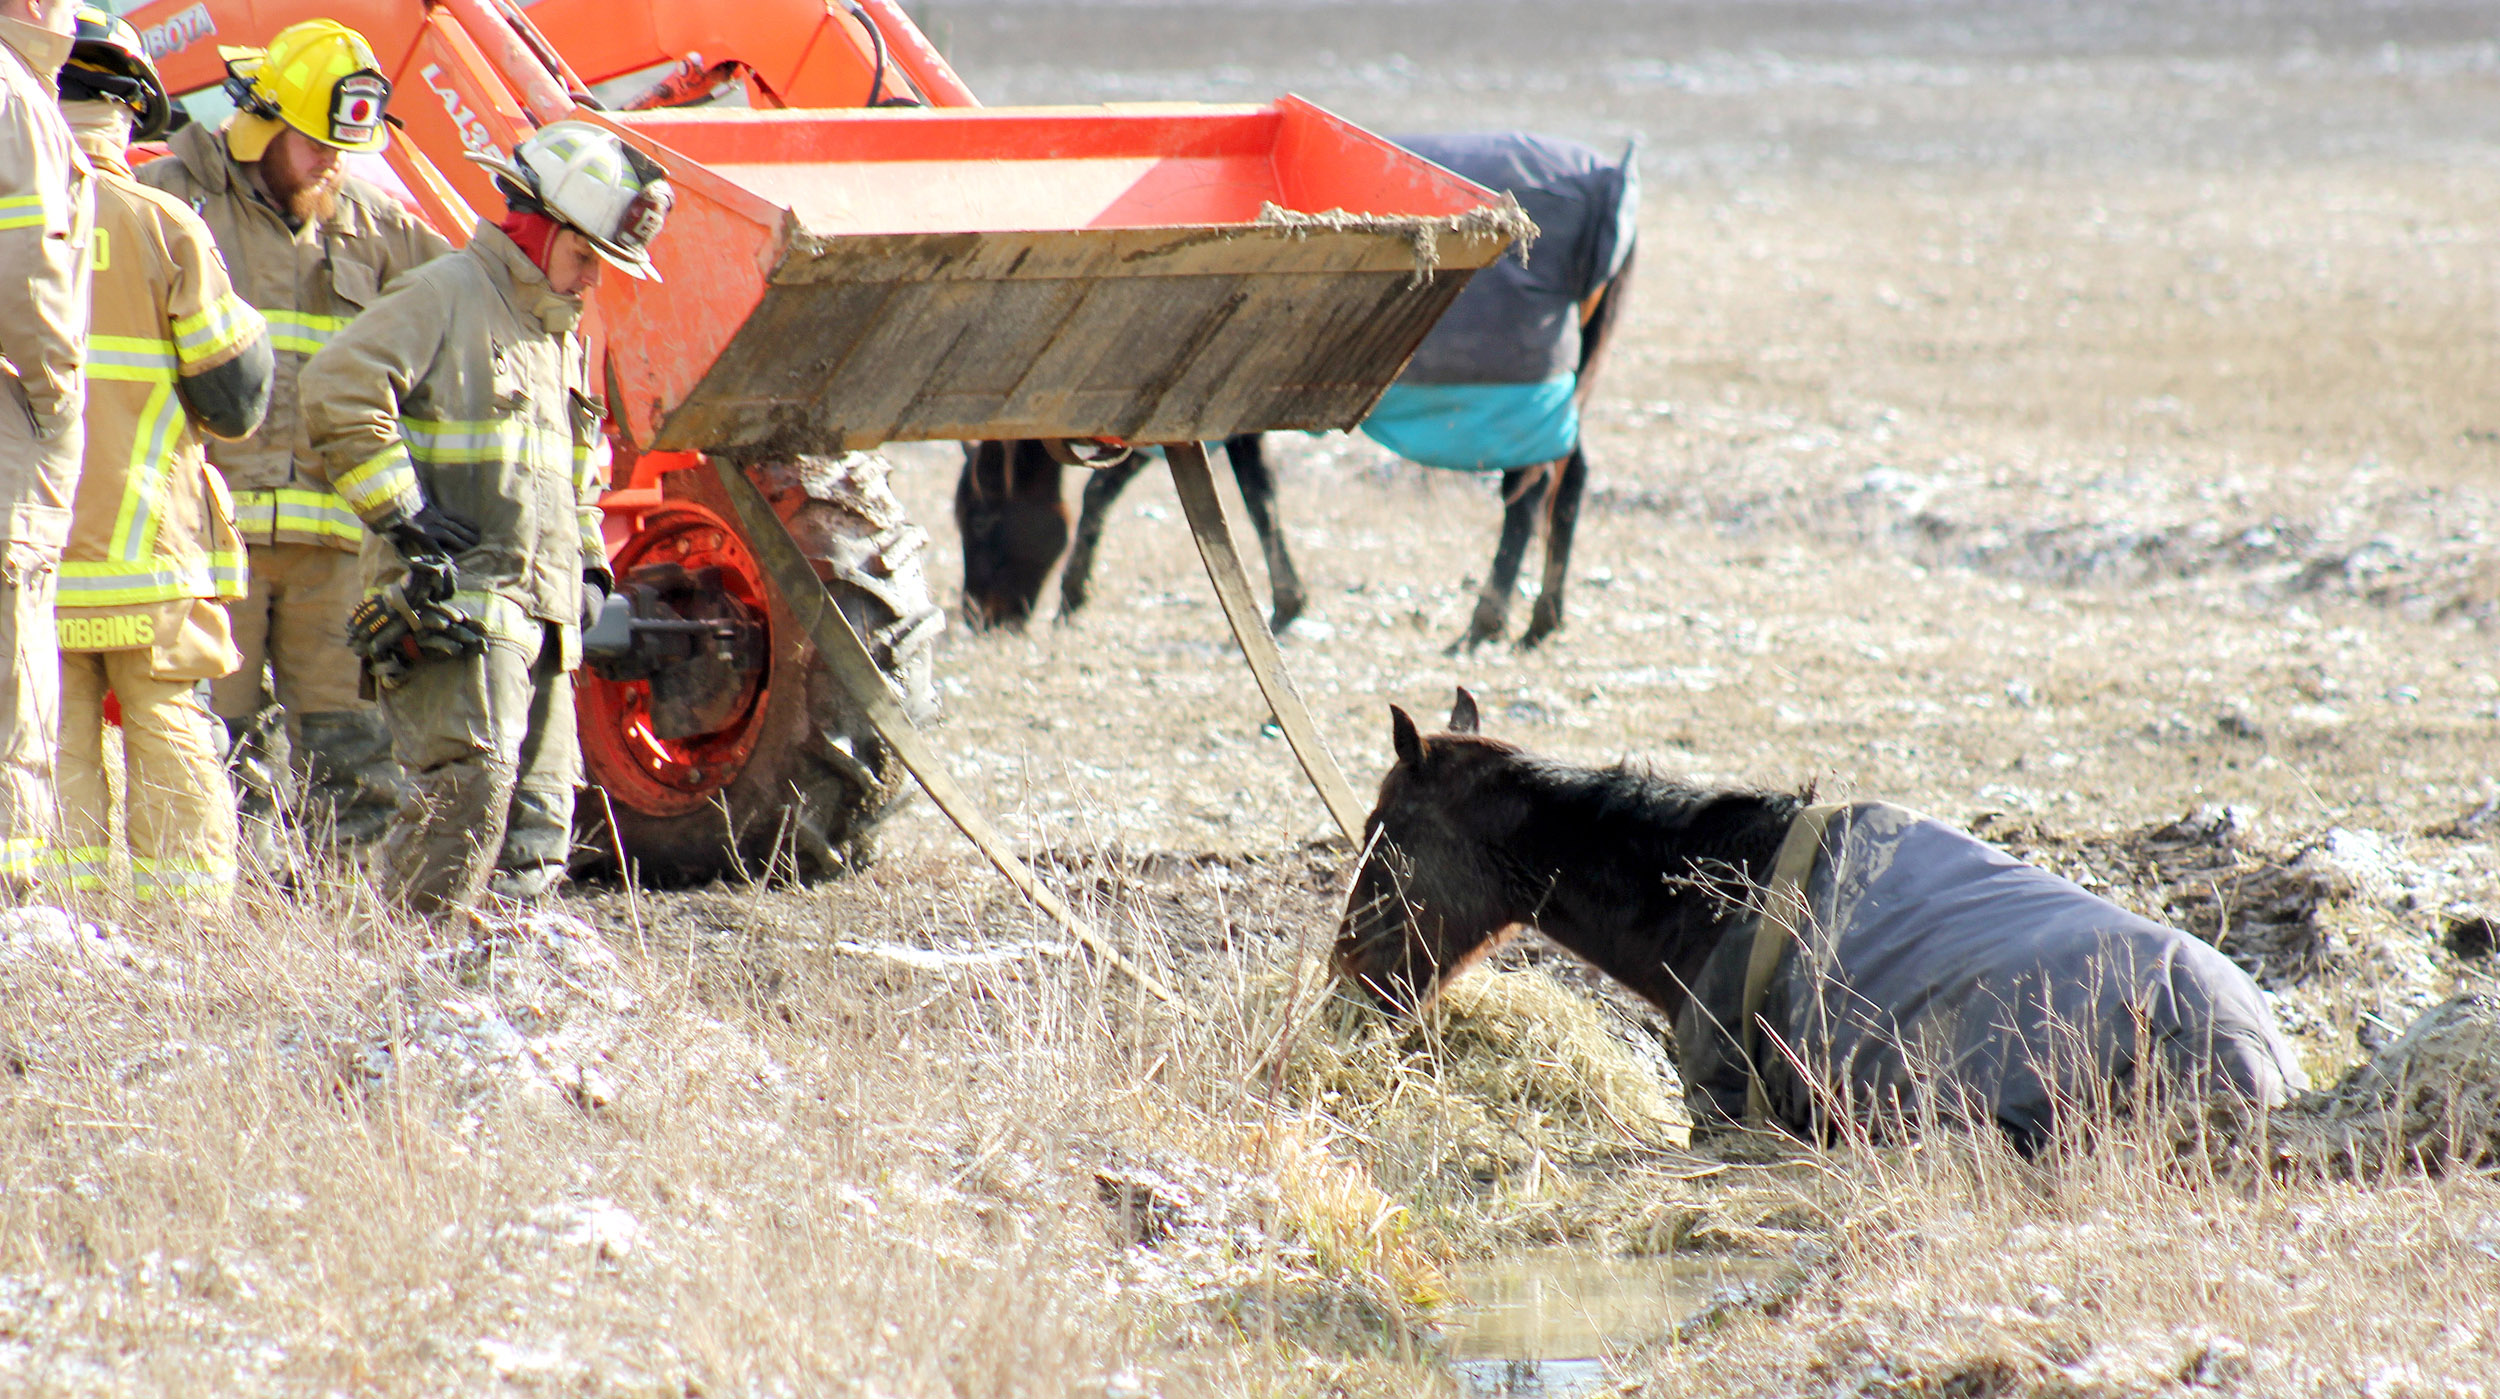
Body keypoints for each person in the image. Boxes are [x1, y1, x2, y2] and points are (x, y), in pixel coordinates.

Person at [300, 120, 669, 912]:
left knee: (539, 826)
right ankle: (408, 991)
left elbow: (577, 467)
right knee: (464, 805)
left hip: (543, 617)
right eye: (584, 258)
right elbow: (338, 385)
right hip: (456, 608)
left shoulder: (557, 331)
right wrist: (403, 514)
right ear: (538, 227)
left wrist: (593, 566)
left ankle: (503, 1005)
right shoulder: (446, 292)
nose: (591, 281)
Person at [135, 18, 450, 862]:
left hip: (336, 555)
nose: (331, 163)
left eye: (345, 148)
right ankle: (214, 945)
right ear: (264, 123)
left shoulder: (380, 230)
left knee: (357, 767)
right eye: (315, 143)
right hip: (208, 542)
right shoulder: (172, 201)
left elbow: (458, 332)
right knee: (206, 756)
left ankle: (339, 952)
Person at [53, 6, 274, 904]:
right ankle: (183, 938)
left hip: (25, 552)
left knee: (45, 735)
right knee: (164, 723)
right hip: (148, 554)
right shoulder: (167, 225)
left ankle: (47, 934)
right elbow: (236, 401)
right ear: (134, 109)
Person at [0, 0, 93, 892]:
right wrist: (54, 386)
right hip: (7, 445)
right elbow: (27, 259)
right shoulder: (15, 97)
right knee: (11, 681)